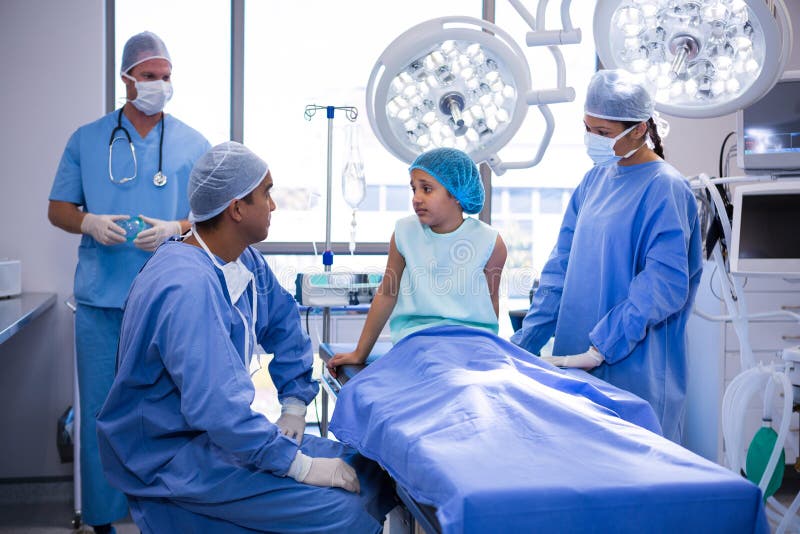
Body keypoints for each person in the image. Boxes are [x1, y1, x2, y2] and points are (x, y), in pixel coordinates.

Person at [96, 141, 393, 533]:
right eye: (266, 193)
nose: (273, 205)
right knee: (345, 512)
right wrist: (299, 465)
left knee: (372, 472)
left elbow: (284, 323)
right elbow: (218, 409)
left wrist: (294, 404)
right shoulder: (186, 286)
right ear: (237, 208)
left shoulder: (241, 260)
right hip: (171, 455)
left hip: (219, 438)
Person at [47, 31, 210, 532]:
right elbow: (58, 209)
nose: (159, 85)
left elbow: (209, 217)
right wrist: (89, 222)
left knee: (169, 410)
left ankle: (167, 511)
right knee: (100, 412)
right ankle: (103, 516)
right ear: (127, 80)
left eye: (165, 77)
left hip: (167, 299)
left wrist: (174, 228)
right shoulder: (87, 139)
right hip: (102, 302)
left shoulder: (193, 143)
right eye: (149, 77)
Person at [510, 69, 703, 443]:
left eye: (602, 133)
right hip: (572, 364)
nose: (591, 140)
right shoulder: (593, 182)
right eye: (587, 129)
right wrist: (523, 346)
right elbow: (559, 271)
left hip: (635, 372)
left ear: (638, 129)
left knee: (638, 484)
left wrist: (601, 348)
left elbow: (663, 286)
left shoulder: (665, 188)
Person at [328, 147, 507, 374]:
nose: (416, 198)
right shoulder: (405, 233)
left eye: (427, 189)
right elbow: (387, 294)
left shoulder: (489, 241)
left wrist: (489, 357)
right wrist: (359, 352)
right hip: (417, 342)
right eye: (414, 189)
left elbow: (491, 304)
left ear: (456, 193)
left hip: (473, 345)